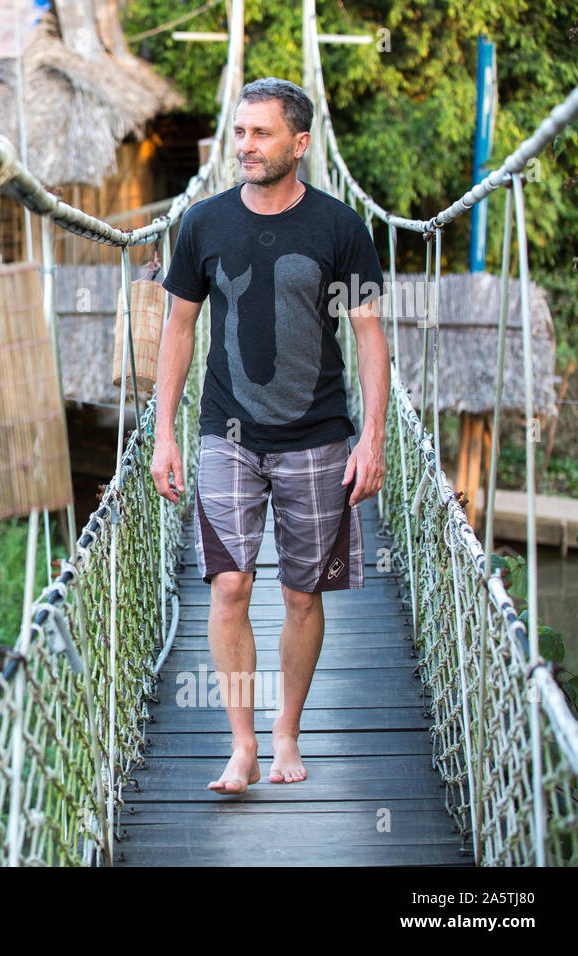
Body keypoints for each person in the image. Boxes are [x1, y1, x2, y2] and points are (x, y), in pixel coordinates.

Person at [150, 77, 390, 795]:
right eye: (240, 132)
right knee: (228, 585)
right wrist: (164, 433)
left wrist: (372, 437)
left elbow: (370, 335)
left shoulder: (341, 229)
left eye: (260, 133)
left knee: (301, 596)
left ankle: (287, 729)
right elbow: (179, 327)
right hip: (226, 434)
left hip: (318, 437)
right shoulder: (201, 223)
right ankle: (244, 744)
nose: (245, 146)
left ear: (300, 143)